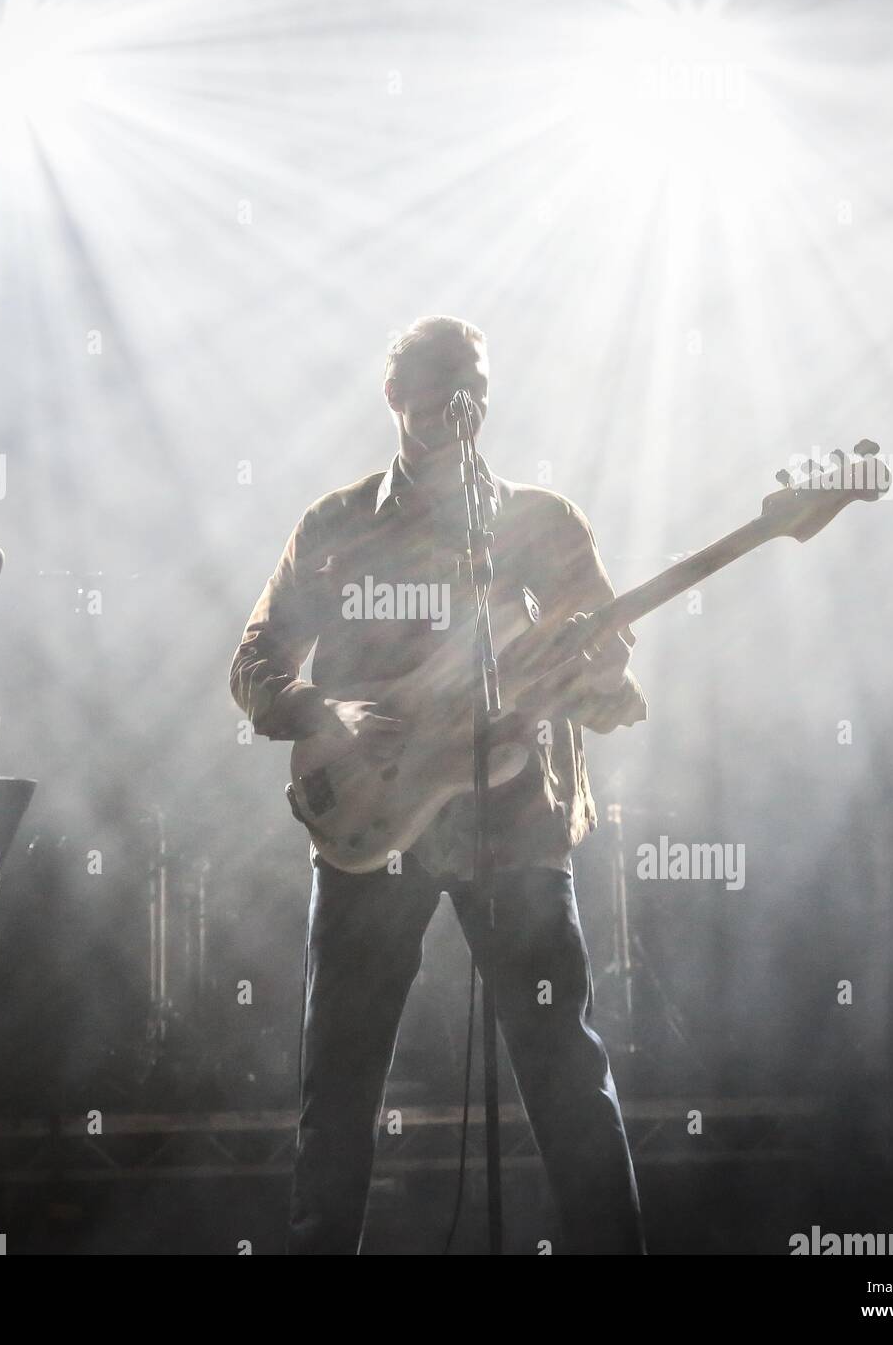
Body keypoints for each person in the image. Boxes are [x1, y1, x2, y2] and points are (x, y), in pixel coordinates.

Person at [230, 315, 648, 1254]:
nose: (459, 397)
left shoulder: (540, 524)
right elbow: (253, 661)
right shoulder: (335, 525)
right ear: (393, 395)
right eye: (436, 378)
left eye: (474, 379)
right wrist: (319, 713)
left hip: (517, 820)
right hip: (372, 824)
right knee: (338, 1086)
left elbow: (607, 667)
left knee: (564, 1073)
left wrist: (606, 686)